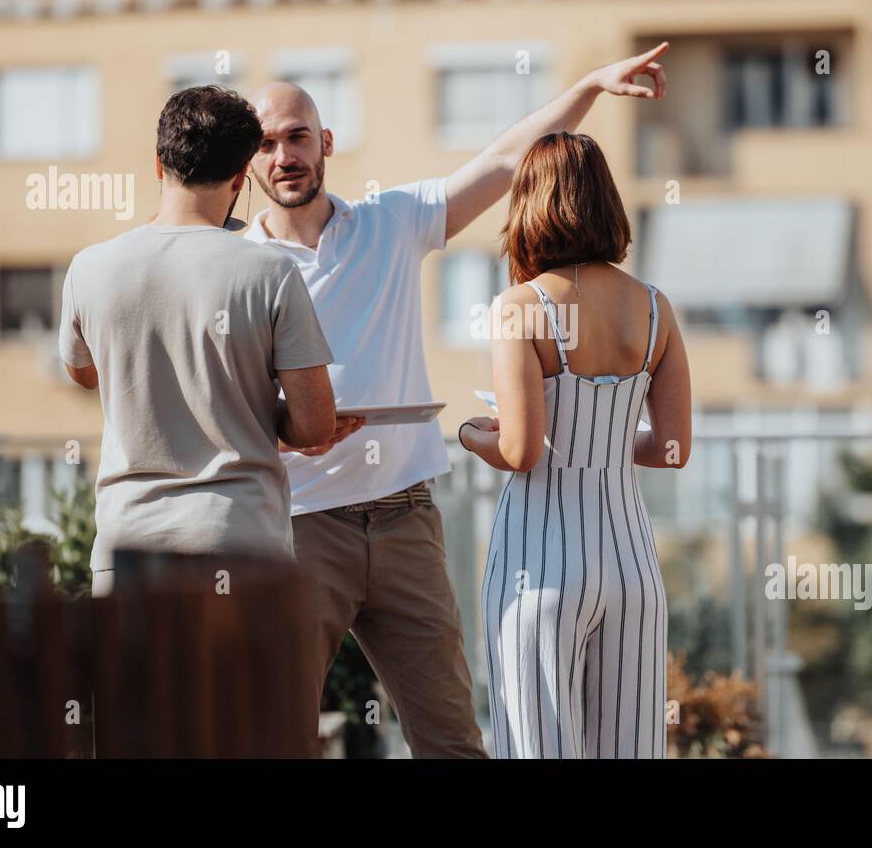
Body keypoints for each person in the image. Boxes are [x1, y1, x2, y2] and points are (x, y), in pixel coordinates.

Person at [244, 42, 669, 758]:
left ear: (326, 144)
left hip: (406, 520)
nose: (285, 155)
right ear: (248, 162)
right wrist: (292, 433)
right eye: (266, 143)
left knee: (452, 742)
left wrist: (591, 86)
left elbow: (507, 161)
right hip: (298, 527)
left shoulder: (390, 223)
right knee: (273, 739)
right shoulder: (239, 267)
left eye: (297, 137)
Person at [459, 132, 692, 758]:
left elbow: (522, 450)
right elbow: (673, 446)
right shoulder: (654, 308)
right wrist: (609, 445)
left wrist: (470, 434)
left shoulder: (520, 308)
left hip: (540, 563)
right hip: (633, 564)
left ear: (530, 204)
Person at [59, 85, 337, 597]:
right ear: (239, 177)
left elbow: (84, 373)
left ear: (159, 164)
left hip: (128, 554)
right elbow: (315, 424)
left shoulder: (89, 268)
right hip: (242, 546)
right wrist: (244, 403)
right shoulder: (270, 272)